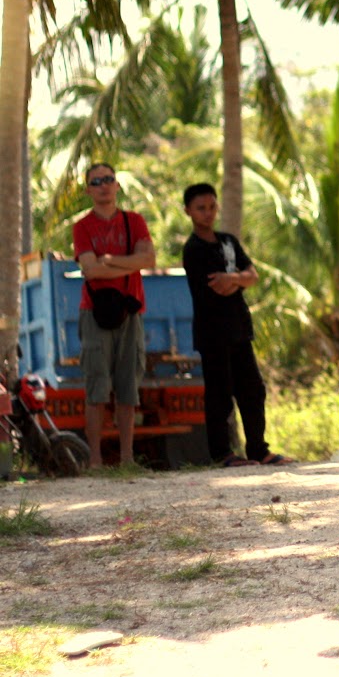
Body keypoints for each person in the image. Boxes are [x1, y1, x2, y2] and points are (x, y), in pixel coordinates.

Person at [181, 183, 291, 467]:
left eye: (212, 206)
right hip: (212, 333)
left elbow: (252, 275)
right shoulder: (193, 249)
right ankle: (223, 454)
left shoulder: (228, 241)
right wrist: (236, 280)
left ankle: (258, 449)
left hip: (240, 329)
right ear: (188, 212)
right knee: (219, 395)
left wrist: (234, 279)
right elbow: (216, 286)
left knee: (253, 389)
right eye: (200, 208)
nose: (208, 213)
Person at [73, 163, 156, 468]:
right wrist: (128, 262)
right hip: (93, 312)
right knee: (96, 387)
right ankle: (94, 462)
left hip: (130, 310)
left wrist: (108, 260)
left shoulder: (134, 221)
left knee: (128, 388)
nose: (104, 185)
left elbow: (149, 258)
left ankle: (127, 459)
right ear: (88, 190)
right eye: (97, 181)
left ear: (117, 185)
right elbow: (90, 269)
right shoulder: (82, 227)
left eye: (108, 179)